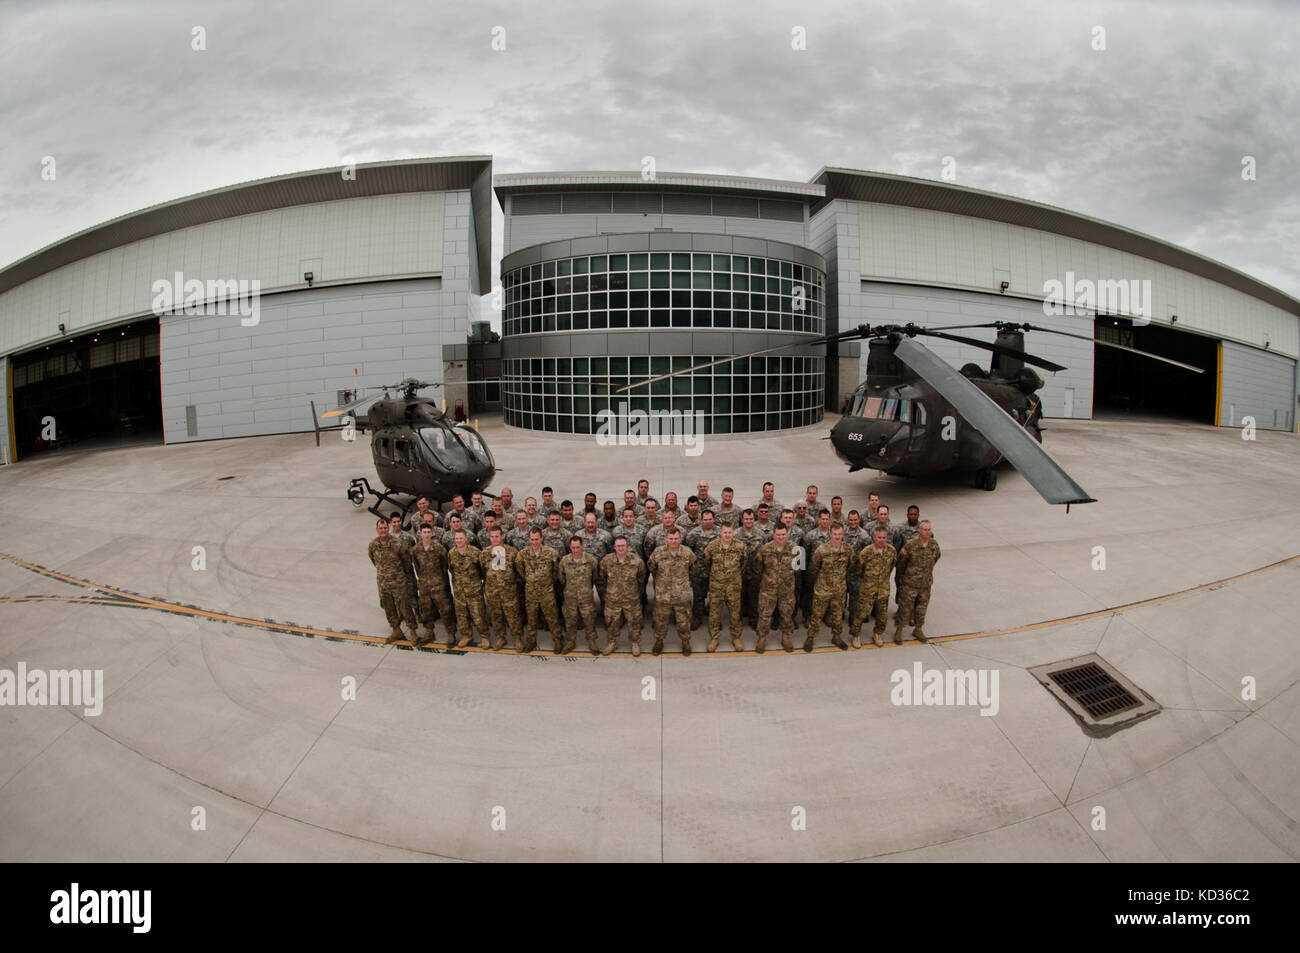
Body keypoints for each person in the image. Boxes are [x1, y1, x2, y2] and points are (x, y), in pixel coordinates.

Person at [647, 528, 695, 655]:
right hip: (663, 594)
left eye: (676, 538)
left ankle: (685, 641)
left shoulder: (687, 553)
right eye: (671, 538)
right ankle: (659, 641)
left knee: (684, 621)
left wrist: (683, 582)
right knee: (660, 620)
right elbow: (652, 568)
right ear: (666, 539)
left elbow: (693, 568)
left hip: (682, 594)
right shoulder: (658, 552)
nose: (673, 541)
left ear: (680, 539)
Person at [369, 517, 416, 644]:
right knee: (388, 607)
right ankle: (396, 630)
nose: (383, 530)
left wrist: (398, 574)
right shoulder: (373, 545)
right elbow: (373, 560)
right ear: (377, 529)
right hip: (383, 583)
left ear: (388, 528)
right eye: (381, 528)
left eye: (385, 528)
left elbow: (407, 561)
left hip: (398, 582)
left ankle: (413, 631)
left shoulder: (398, 543)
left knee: (405, 607)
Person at [703, 521, 747, 652]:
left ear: (733, 533)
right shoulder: (712, 546)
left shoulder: (740, 546)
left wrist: (733, 576)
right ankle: (714, 638)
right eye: (725, 532)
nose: (727, 535)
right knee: (714, 614)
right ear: (720, 532)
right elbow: (707, 563)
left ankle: (736, 638)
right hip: (716, 586)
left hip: (733, 586)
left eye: (730, 532)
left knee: (735, 614)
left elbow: (743, 563)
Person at [517, 529, 562, 653]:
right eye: (532, 539)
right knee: (532, 619)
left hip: (547, 592)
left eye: (537, 539)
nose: (534, 542)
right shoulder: (523, 554)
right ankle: (531, 642)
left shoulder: (551, 553)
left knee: (552, 618)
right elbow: (520, 569)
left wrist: (548, 582)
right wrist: (529, 579)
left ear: (541, 538)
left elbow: (556, 571)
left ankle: (558, 640)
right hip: (531, 592)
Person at [754, 525, 798, 653]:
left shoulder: (795, 549)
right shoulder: (764, 550)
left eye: (783, 534)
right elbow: (758, 569)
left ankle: (785, 637)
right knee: (764, 615)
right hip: (768, 590)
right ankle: (762, 638)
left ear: (787, 534)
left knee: (787, 615)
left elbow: (798, 569)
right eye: (778, 535)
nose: (781, 537)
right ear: (773, 534)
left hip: (787, 590)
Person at [599, 536, 646, 656]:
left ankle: (635, 643)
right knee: (611, 623)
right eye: (618, 546)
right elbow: (602, 577)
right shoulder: (606, 561)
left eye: (623, 546)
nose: (621, 548)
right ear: (614, 547)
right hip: (613, 600)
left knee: (634, 622)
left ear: (627, 547)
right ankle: (612, 643)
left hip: (631, 599)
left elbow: (641, 577)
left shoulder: (637, 561)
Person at [895, 521, 940, 643]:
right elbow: (901, 563)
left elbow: (936, 558)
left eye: (929, 530)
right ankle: (899, 630)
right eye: (925, 529)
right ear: (919, 530)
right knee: (905, 608)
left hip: (925, 584)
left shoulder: (934, 545)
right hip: (911, 584)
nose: (927, 532)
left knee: (922, 609)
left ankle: (918, 629)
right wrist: (907, 576)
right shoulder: (910, 545)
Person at [809, 524, 852, 651]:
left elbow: (850, 566)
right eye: (835, 534)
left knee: (838, 615)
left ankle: (836, 637)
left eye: (839, 534)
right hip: (823, 589)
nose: (837, 537)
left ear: (843, 534)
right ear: (830, 534)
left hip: (839, 589)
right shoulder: (821, 550)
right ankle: (811, 637)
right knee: (817, 614)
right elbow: (814, 567)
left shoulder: (848, 549)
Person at [412, 524, 457, 646]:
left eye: (428, 532)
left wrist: (440, 581)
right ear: (420, 534)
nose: (426, 535)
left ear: (432, 533)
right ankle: (429, 632)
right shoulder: (416, 550)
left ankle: (451, 633)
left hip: (439, 586)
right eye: (424, 532)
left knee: (446, 610)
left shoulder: (439, 548)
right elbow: (417, 567)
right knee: (426, 610)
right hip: (424, 586)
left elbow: (445, 566)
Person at [853, 527, 898, 647]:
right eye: (879, 537)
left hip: (883, 589)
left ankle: (877, 633)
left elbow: (891, 566)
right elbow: (859, 570)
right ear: (874, 538)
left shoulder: (891, 551)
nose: (882, 540)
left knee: (882, 615)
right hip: (867, 589)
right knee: (861, 614)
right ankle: (856, 635)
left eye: (884, 537)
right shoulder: (865, 553)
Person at [479, 526, 522, 651]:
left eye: (497, 536)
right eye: (492, 537)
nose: (494, 539)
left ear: (502, 536)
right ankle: (500, 638)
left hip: (509, 592)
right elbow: (482, 571)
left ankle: (517, 638)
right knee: (496, 616)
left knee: (513, 616)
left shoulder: (512, 552)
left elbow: (519, 570)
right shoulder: (484, 554)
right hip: (492, 592)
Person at [447, 529, 489, 648]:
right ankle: (466, 635)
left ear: (466, 538)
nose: (459, 541)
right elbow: (451, 569)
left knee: (478, 615)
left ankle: (484, 636)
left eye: (461, 538)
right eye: (457, 538)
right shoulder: (451, 553)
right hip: (459, 592)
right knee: (462, 617)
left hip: (474, 591)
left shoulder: (475, 552)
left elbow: (482, 570)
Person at [558, 537, 600, 655]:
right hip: (570, 597)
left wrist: (586, 589)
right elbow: (561, 578)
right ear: (570, 547)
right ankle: (570, 641)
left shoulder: (591, 560)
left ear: (582, 546)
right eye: (573, 547)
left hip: (586, 597)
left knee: (589, 619)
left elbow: (595, 577)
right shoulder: (564, 561)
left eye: (578, 547)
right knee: (570, 620)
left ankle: (592, 641)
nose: (575, 550)